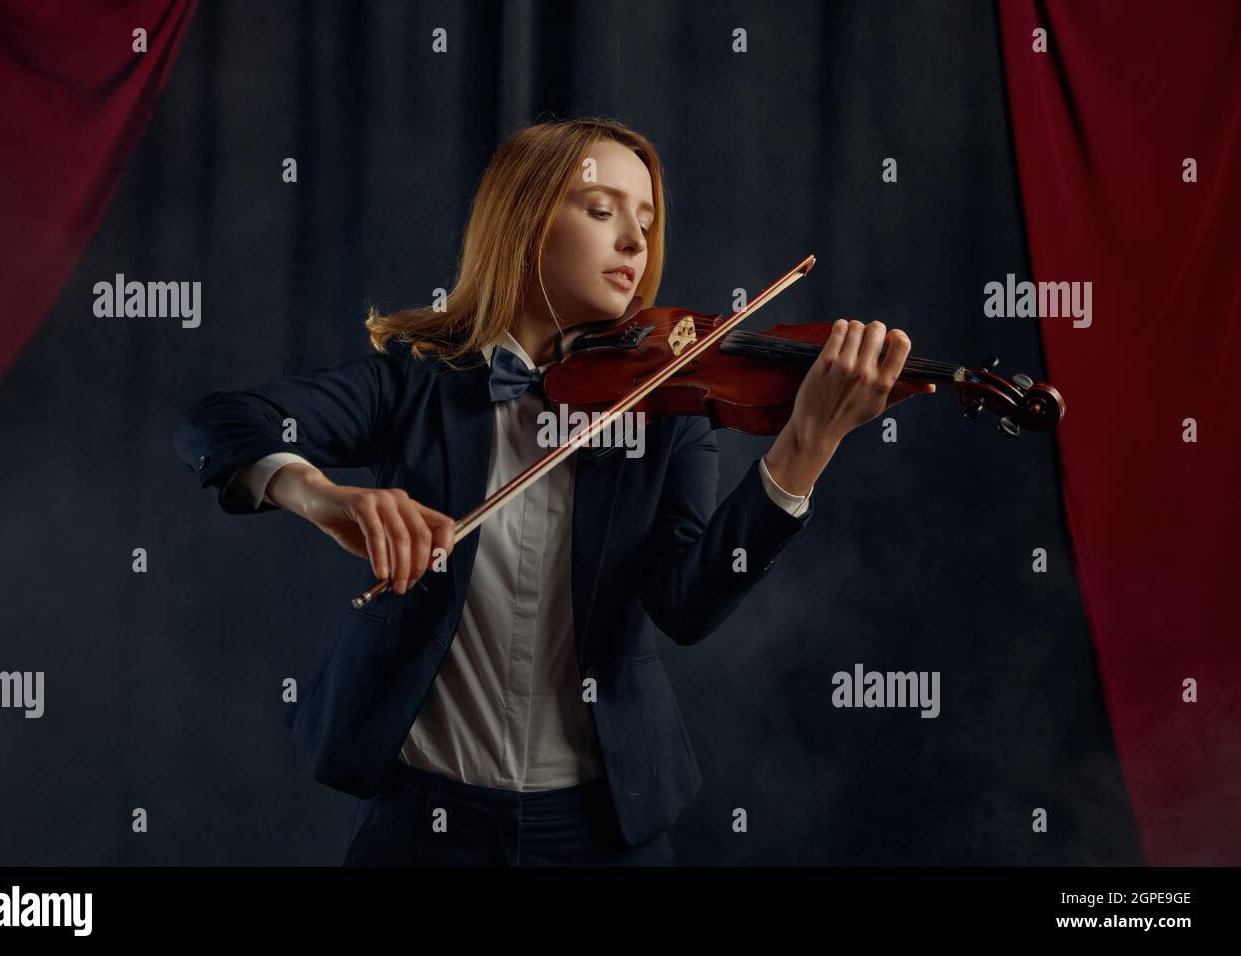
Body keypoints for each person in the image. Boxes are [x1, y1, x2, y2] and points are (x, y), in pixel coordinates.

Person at [173, 116, 933, 866]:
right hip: (427, 823)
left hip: (601, 828)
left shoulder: (662, 405)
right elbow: (220, 421)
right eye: (602, 212)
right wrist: (319, 494)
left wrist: (805, 447)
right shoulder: (417, 384)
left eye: (645, 220)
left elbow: (687, 605)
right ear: (525, 222)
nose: (634, 242)